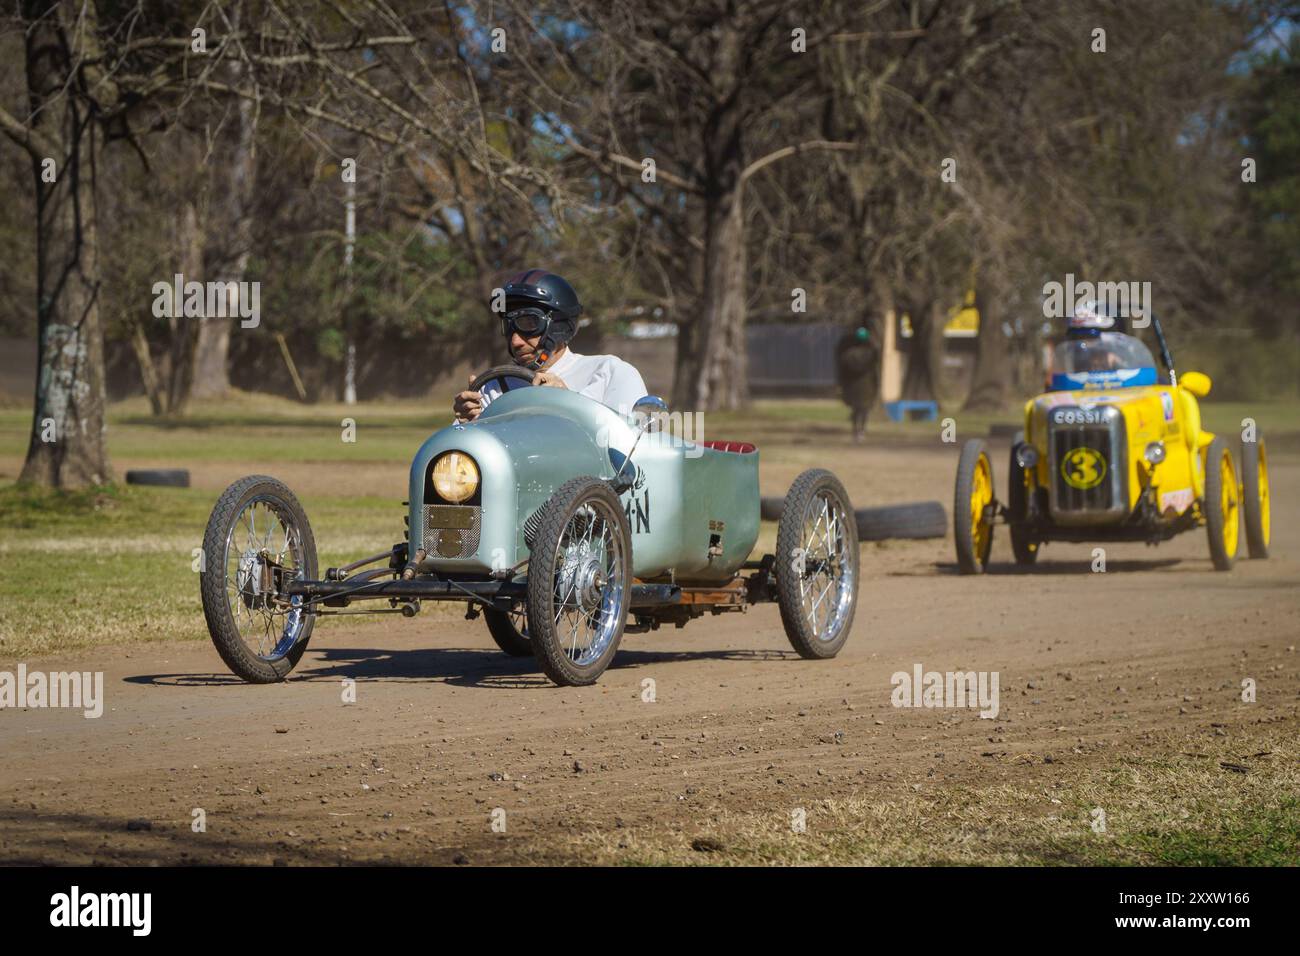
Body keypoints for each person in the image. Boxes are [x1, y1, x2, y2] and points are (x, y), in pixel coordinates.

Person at [452, 270, 647, 422]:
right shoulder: (492, 390)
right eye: (509, 326)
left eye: (529, 324)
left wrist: (569, 402)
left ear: (559, 326)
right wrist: (469, 427)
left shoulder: (609, 372)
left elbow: (634, 448)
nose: (515, 341)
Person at [834, 324, 880, 442]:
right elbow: (875, 370)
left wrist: (841, 385)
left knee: (856, 409)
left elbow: (843, 371)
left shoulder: (848, 354)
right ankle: (862, 430)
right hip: (866, 385)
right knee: (864, 409)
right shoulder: (871, 353)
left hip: (853, 385)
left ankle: (856, 430)